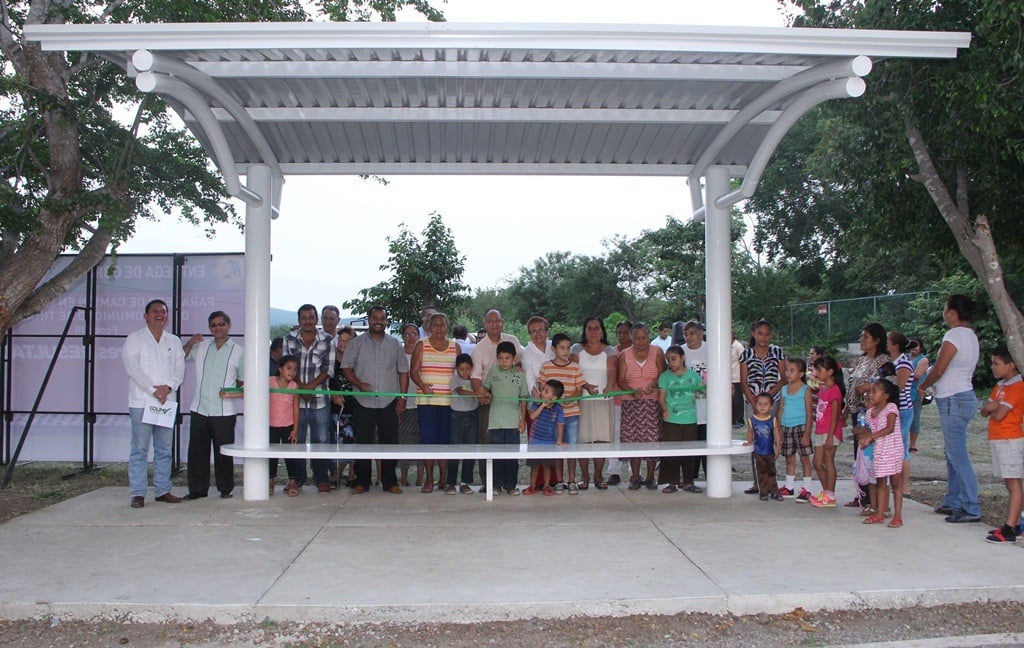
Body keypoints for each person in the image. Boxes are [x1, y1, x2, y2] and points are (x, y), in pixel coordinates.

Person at [917, 294, 981, 524]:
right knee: (952, 452)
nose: (944, 313)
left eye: (945, 309)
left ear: (952, 312)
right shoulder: (971, 336)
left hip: (953, 398)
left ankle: (971, 506)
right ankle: (953, 499)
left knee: (957, 454)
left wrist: (923, 385)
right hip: (963, 396)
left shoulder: (953, 335)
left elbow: (940, 369)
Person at [122, 298, 185, 508]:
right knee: (139, 448)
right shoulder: (135, 338)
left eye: (163, 311)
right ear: (146, 316)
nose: (159, 314)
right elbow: (133, 368)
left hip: (166, 401)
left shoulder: (173, 340)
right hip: (142, 401)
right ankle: (138, 493)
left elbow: (179, 369)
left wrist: (167, 388)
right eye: (155, 311)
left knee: (164, 448)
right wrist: (152, 390)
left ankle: (162, 490)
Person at [341, 305, 409, 495]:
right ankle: (362, 481)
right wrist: (358, 383)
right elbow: (346, 367)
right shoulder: (357, 343)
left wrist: (402, 397)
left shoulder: (395, 344)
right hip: (363, 401)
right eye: (375, 317)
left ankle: (390, 482)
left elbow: (403, 371)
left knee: (390, 442)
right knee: (363, 442)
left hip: (389, 401)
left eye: (383, 318)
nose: (379, 321)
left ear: (386, 321)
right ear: (368, 319)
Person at [182, 310, 244, 500]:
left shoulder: (238, 351)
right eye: (214, 325)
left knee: (223, 452)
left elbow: (242, 381)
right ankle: (197, 490)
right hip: (200, 408)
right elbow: (180, 357)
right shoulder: (201, 346)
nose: (218, 328)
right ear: (209, 327)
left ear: (229, 325)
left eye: (221, 324)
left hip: (224, 411)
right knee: (197, 452)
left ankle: (225, 488)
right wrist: (191, 342)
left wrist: (231, 392)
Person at [283, 304, 334, 494]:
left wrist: (309, 387)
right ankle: (298, 479)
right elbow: (286, 366)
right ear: (298, 321)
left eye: (311, 318)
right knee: (296, 439)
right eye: (303, 318)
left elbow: (328, 369)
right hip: (296, 399)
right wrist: (301, 388)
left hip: (319, 398)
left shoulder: (327, 340)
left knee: (321, 440)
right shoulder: (289, 339)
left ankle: (321, 478)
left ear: (316, 320)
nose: (307, 321)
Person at [470, 309, 522, 492]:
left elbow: (521, 363)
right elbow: (476, 377)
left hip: (510, 403)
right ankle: (491, 483)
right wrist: (482, 394)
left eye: (497, 321)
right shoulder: (479, 348)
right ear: (485, 323)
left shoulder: (513, 341)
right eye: (490, 321)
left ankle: (509, 484)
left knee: (510, 444)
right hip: (488, 398)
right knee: (487, 442)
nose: (494, 324)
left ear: (502, 322)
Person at [410, 312, 461, 494]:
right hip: (427, 402)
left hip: (449, 403)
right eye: (435, 325)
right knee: (429, 440)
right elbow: (414, 372)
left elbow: (461, 373)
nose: (439, 328)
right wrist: (423, 386)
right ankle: (430, 478)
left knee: (445, 441)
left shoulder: (455, 347)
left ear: (448, 326)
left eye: (442, 324)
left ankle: (444, 479)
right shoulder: (421, 345)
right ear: (429, 327)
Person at [843, 322, 890, 509]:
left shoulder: (884, 361)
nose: (861, 341)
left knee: (870, 456)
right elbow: (852, 385)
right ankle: (862, 495)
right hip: (857, 412)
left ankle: (874, 499)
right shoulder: (862, 360)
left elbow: (889, 385)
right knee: (859, 455)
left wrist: (870, 388)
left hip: (872, 414)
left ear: (877, 340)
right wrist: (846, 411)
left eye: (866, 337)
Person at [980, 346, 1024, 543]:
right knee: (1009, 482)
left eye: (996, 364)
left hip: (1010, 439)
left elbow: (998, 414)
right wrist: (992, 407)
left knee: (1013, 483)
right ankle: (1013, 524)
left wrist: (993, 407)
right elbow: (984, 410)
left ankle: (1010, 528)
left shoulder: (1017, 386)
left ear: (1011, 365)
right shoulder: (1000, 386)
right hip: (999, 438)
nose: (992, 367)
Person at [739, 318, 786, 495]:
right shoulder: (746, 354)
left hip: (773, 402)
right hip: (752, 402)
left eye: (766, 334)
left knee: (771, 439)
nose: (763, 337)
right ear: (753, 334)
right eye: (760, 334)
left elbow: (783, 378)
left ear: (771, 335)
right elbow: (743, 381)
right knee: (755, 441)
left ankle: (771, 481)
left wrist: (769, 396)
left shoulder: (777, 352)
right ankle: (757, 481)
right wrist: (754, 402)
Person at [618, 322, 666, 490]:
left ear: (648, 337)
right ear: (632, 337)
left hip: (652, 403)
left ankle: (651, 477)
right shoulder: (624, 354)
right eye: (637, 338)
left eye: (644, 338)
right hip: (631, 404)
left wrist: (652, 384)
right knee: (633, 440)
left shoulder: (657, 352)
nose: (640, 341)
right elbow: (621, 379)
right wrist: (631, 391)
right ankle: (635, 477)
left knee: (652, 439)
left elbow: (663, 374)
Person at [571, 318, 617, 490]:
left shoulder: (610, 350)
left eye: (597, 328)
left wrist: (609, 386)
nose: (593, 332)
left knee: (601, 440)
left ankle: (598, 475)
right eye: (589, 328)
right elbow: (573, 371)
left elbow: (612, 369)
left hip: (604, 402)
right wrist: (585, 386)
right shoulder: (577, 349)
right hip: (582, 401)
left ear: (602, 331)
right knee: (583, 440)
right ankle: (585, 475)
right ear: (585, 331)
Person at [538, 333, 587, 492]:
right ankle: (559, 481)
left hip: (571, 414)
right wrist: (549, 400)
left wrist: (569, 398)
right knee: (557, 447)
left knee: (571, 447)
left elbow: (579, 389)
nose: (565, 351)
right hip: (552, 416)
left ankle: (572, 480)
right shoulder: (546, 367)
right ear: (554, 349)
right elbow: (542, 389)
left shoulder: (574, 367)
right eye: (562, 348)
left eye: (568, 348)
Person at [481, 341, 529, 495]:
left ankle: (511, 485)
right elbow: (484, 389)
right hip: (496, 422)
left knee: (511, 456)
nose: (504, 361)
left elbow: (523, 399)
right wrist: (485, 394)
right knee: (497, 455)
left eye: (507, 358)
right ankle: (496, 485)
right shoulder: (493, 372)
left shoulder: (520, 374)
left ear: (514, 358)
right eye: (500, 358)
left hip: (513, 422)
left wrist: (522, 420)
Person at [657, 345, 703, 493]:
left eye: (674, 359)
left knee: (689, 452)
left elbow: (702, 389)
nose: (671, 363)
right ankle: (671, 482)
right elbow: (661, 397)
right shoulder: (664, 377)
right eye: (668, 360)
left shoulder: (693, 375)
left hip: (690, 419)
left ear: (683, 358)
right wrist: (664, 410)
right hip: (672, 420)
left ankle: (689, 481)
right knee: (671, 452)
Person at [859, 379, 904, 527]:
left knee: (896, 483)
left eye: (874, 391)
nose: (870, 394)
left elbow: (890, 428)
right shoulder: (870, 412)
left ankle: (898, 516)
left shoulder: (891, 408)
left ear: (885, 395)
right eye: (870, 391)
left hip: (893, 449)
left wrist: (871, 437)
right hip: (880, 451)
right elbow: (871, 431)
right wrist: (865, 438)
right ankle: (879, 513)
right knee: (881, 482)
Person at [808, 355, 844, 508]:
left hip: (830, 432)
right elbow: (809, 378)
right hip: (820, 429)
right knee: (817, 462)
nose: (816, 372)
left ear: (830, 372)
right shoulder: (823, 388)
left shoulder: (834, 390)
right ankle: (827, 492)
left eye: (819, 370)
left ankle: (830, 495)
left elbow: (836, 415)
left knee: (828, 461)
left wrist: (830, 436)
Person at [777, 358, 814, 502]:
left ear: (801, 374)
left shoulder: (805, 390)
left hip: (801, 426)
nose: (788, 373)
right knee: (789, 458)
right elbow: (780, 410)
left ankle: (807, 488)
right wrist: (779, 430)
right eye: (787, 370)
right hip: (786, 426)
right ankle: (789, 486)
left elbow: (809, 413)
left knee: (805, 459)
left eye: (792, 370)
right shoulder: (784, 389)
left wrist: (807, 434)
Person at [524, 379, 566, 496]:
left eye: (546, 391)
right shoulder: (536, 403)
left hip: (549, 441)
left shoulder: (558, 408)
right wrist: (542, 405)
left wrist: (559, 439)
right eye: (543, 390)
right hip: (535, 441)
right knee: (535, 465)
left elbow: (560, 424)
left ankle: (547, 486)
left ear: (554, 398)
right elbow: (532, 416)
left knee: (547, 465)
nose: (542, 392)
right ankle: (532, 486)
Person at [888, 332, 915, 496]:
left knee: (901, 447)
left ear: (895, 345)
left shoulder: (903, 364)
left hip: (902, 409)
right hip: (895, 408)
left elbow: (898, 387)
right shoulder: (893, 362)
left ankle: (904, 486)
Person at [329, 326, 357, 486]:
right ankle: (336, 475)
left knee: (354, 441)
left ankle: (352, 475)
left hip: (355, 406)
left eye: (346, 340)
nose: (342, 343)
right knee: (339, 442)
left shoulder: (356, 360)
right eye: (340, 339)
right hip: (336, 408)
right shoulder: (331, 360)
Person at [270, 355, 302, 496]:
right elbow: (250, 392)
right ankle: (270, 481)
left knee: (290, 455)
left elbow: (296, 408)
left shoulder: (294, 386)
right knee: (271, 455)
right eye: (288, 368)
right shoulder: (270, 382)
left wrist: (295, 429)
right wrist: (230, 395)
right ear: (280, 369)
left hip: (288, 425)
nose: (292, 372)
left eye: (294, 369)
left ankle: (292, 483)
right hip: (271, 425)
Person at [682, 320, 709, 481]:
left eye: (692, 333)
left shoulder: (710, 349)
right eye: (686, 334)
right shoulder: (682, 351)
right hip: (688, 406)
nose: (688, 337)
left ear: (700, 333)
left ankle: (711, 475)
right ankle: (689, 477)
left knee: (706, 441)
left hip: (707, 405)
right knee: (691, 444)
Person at [449, 353, 478, 494]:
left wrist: (485, 395)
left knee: (470, 449)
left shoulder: (475, 381)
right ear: (456, 369)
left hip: (472, 416)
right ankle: (450, 483)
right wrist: (477, 394)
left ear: (472, 368)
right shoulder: (455, 380)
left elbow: (482, 392)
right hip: (457, 417)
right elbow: (461, 392)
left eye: (468, 369)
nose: (465, 372)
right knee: (455, 450)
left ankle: (465, 482)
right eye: (461, 369)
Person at [745, 393, 783, 501]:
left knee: (772, 472)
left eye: (765, 404)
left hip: (769, 451)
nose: (762, 406)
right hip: (758, 452)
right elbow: (750, 432)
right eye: (760, 404)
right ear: (755, 405)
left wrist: (778, 447)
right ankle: (763, 492)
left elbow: (776, 434)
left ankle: (774, 491)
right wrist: (749, 442)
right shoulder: (752, 419)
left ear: (771, 406)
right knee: (761, 473)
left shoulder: (772, 419)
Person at [398, 322, 423, 487]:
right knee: (403, 442)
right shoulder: (397, 354)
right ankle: (404, 479)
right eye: (407, 334)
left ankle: (421, 479)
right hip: (403, 405)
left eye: (414, 333)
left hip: (421, 403)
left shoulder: (424, 353)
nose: (411, 337)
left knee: (421, 443)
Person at [907, 337, 930, 453]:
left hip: (916, 392)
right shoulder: (905, 358)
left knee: (915, 418)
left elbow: (917, 375)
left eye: (916, 346)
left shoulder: (923, 360)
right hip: (904, 391)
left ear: (920, 347)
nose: (913, 348)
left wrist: (902, 372)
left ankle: (912, 444)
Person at [731, 334, 745, 427]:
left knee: (737, 400)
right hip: (728, 378)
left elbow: (743, 361)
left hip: (737, 377)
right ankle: (732, 419)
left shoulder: (738, 347)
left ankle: (739, 419)